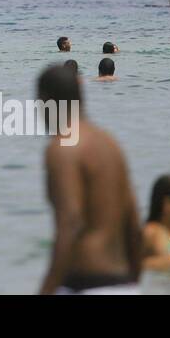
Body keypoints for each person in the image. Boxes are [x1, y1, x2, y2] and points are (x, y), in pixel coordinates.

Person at [36, 63, 143, 294]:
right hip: (123, 284)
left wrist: (46, 289)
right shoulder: (110, 144)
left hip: (84, 284)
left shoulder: (62, 147)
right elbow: (133, 222)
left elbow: (70, 223)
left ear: (45, 101)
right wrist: (134, 282)